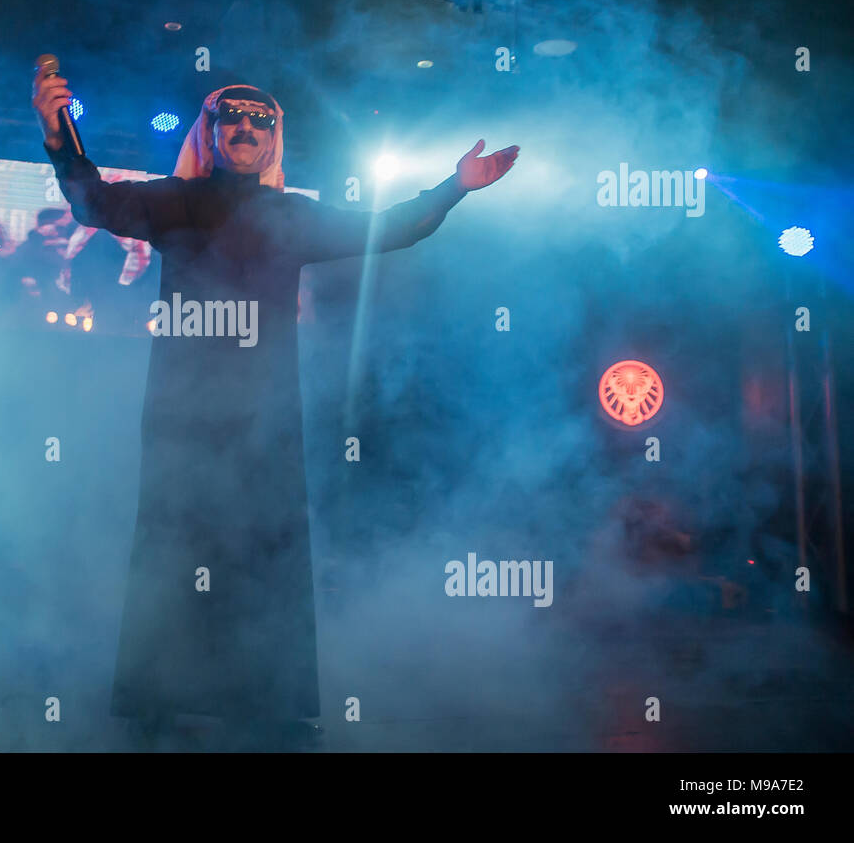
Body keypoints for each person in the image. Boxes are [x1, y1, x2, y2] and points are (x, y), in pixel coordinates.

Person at [34, 71, 519, 750]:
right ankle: (156, 704)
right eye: (231, 118)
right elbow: (92, 204)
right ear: (210, 131)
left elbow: (389, 229)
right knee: (172, 553)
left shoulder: (292, 215)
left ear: (273, 138)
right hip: (181, 418)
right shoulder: (176, 202)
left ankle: (269, 702)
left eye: (260, 121)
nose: (246, 129)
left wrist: (454, 186)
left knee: (268, 557)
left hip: (266, 420)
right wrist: (61, 136)